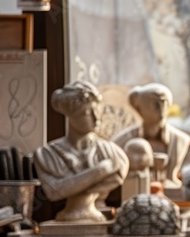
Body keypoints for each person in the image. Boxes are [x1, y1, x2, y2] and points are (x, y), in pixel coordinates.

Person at [34, 81, 129, 222]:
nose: (96, 119)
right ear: (70, 116)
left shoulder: (113, 153)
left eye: (97, 111)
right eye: (86, 113)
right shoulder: (47, 155)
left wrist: (74, 183)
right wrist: (99, 171)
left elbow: (117, 174)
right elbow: (55, 190)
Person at [112, 83, 190, 188]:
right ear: (139, 107)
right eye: (154, 103)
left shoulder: (181, 140)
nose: (161, 108)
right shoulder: (122, 141)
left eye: (165, 102)